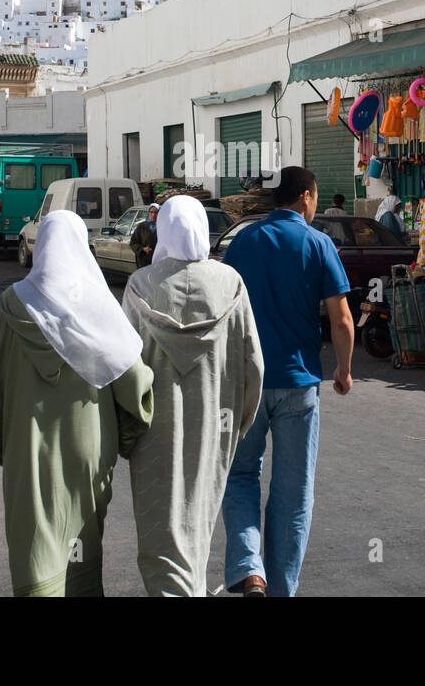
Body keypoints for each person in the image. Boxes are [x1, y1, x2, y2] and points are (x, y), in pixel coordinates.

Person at [0, 211, 154, 596]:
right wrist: (131, 426)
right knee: (81, 539)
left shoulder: (12, 304)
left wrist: (3, 429)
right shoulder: (97, 306)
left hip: (30, 447)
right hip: (88, 445)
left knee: (35, 538)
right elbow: (134, 380)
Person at [122, 195, 265, 596]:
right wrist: (236, 426)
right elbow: (254, 365)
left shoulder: (140, 286)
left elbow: (123, 367)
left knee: (161, 531)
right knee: (198, 526)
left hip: (153, 432)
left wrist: (125, 426)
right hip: (212, 428)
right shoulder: (230, 283)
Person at [221, 165, 353, 597]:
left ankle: (249, 569)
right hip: (300, 384)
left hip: (248, 384)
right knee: (293, 492)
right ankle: (280, 589)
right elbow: (343, 319)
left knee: (240, 475)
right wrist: (344, 371)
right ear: (306, 197)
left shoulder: (243, 241)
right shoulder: (318, 244)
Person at [130, 202, 159, 268]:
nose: (153, 215)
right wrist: (143, 249)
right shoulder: (142, 226)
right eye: (151, 212)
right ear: (148, 213)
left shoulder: (162, 226)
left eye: (156, 212)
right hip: (144, 262)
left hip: (158, 262)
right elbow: (133, 242)